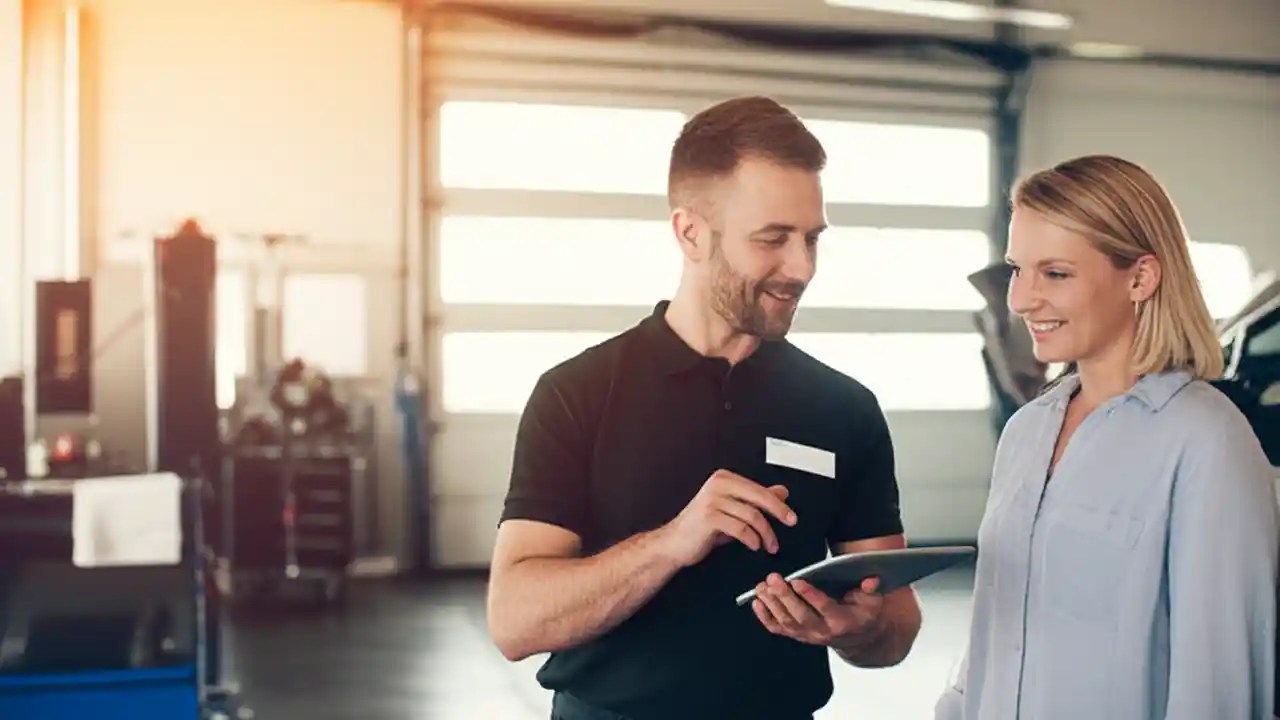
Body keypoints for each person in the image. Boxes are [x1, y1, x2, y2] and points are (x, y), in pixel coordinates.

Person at [486, 96, 923, 720]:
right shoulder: (578, 394)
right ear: (691, 232)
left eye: (811, 239)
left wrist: (855, 628)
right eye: (772, 239)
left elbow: (898, 628)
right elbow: (513, 622)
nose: (799, 268)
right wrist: (672, 543)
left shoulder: (844, 410)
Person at [934, 155, 1279, 720]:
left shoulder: (1207, 442)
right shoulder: (1026, 432)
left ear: (1140, 277)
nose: (1021, 299)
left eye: (1056, 273)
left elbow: (1220, 689)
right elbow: (993, 635)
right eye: (1018, 269)